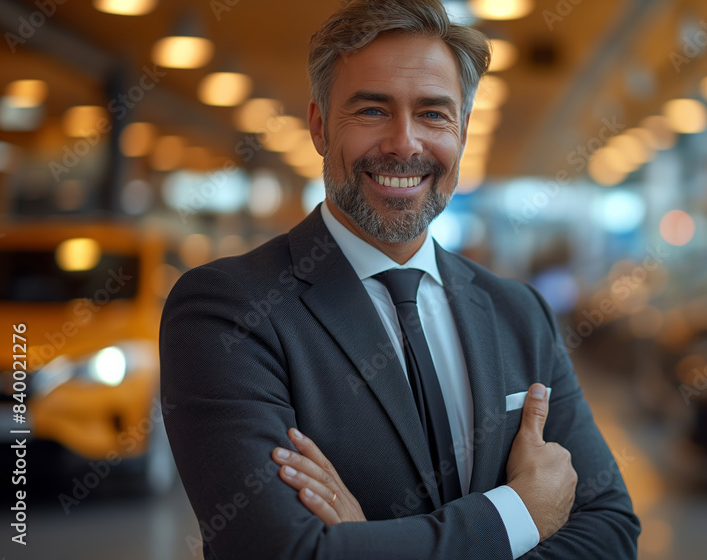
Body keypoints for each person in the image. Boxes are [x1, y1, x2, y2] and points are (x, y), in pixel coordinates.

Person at [159, 1, 640, 558]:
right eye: (371, 110)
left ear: (462, 134)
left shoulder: (519, 313)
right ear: (318, 126)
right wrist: (520, 512)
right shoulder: (229, 311)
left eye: (433, 114)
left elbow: (610, 532)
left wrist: (363, 544)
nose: (404, 143)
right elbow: (282, 553)